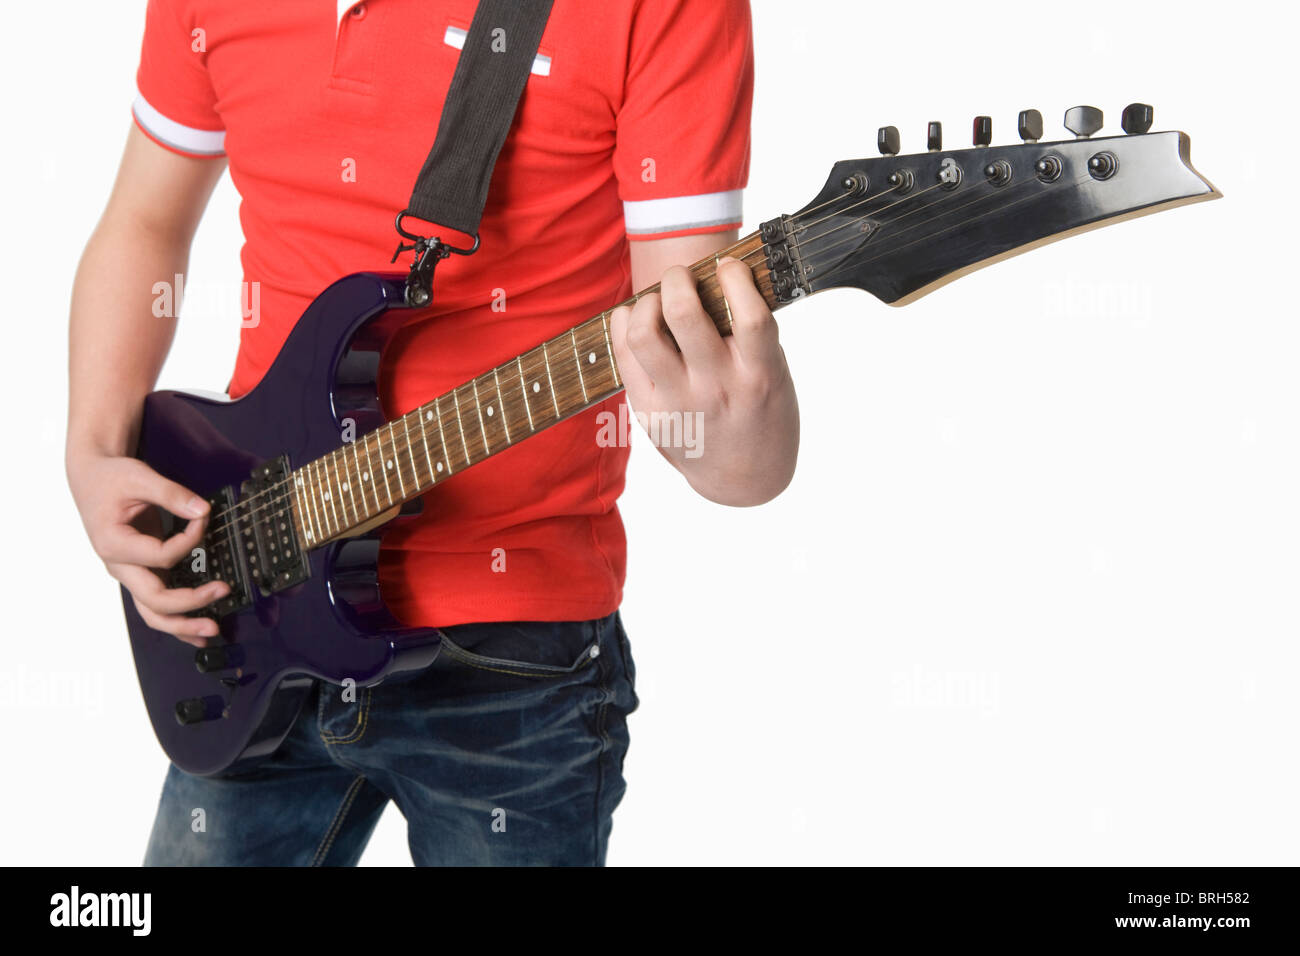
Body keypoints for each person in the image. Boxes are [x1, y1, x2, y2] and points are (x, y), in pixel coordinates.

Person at [66, 0, 798, 866]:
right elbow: (146, 218)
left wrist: (740, 440)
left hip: (516, 669)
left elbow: (699, 387)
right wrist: (92, 451)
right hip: (254, 589)